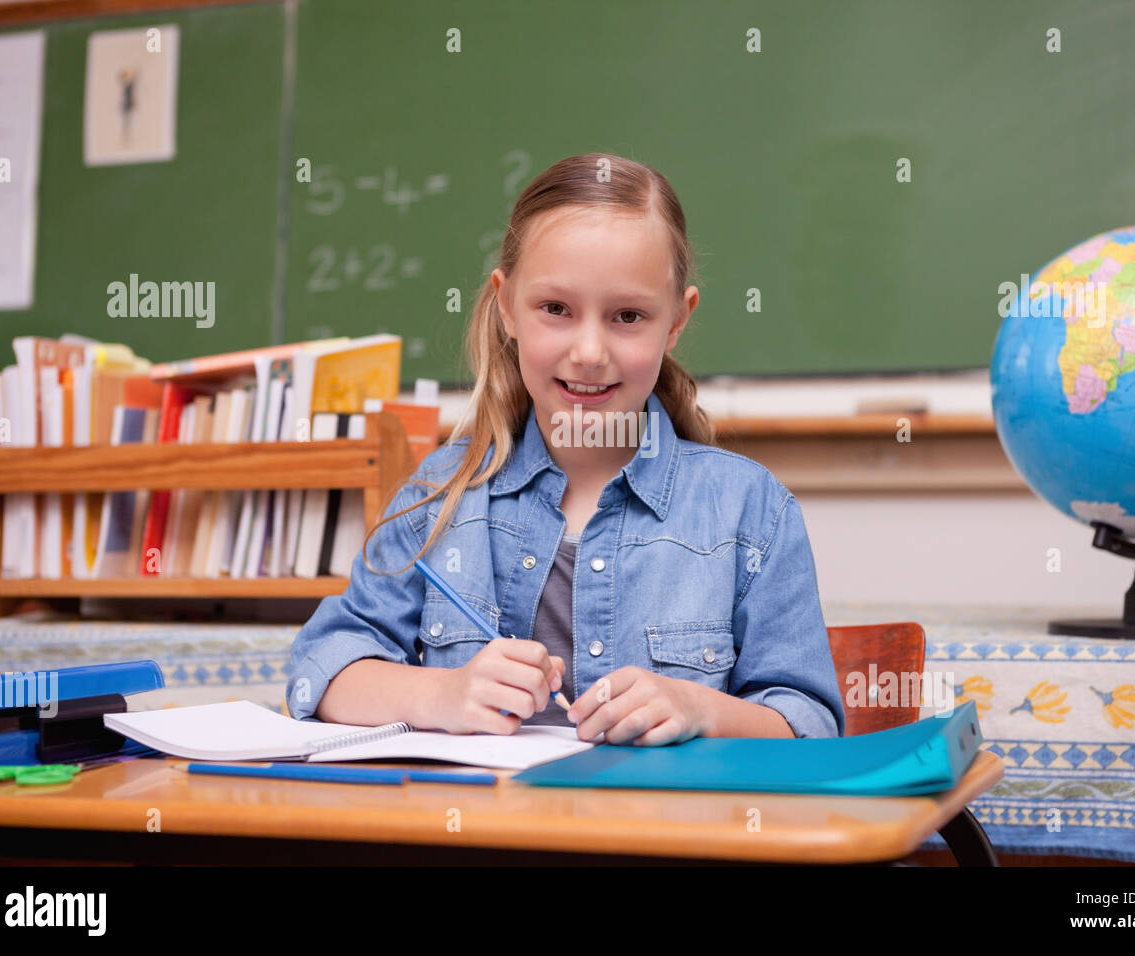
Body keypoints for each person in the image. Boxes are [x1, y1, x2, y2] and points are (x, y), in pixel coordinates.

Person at [286, 153, 845, 744]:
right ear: (506, 305)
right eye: (556, 309)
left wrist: (700, 708)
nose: (588, 351)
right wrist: (441, 694)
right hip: (477, 832)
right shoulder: (439, 494)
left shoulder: (751, 509)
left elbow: (808, 723)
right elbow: (321, 670)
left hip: (668, 836)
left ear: (677, 321)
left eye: (628, 316)